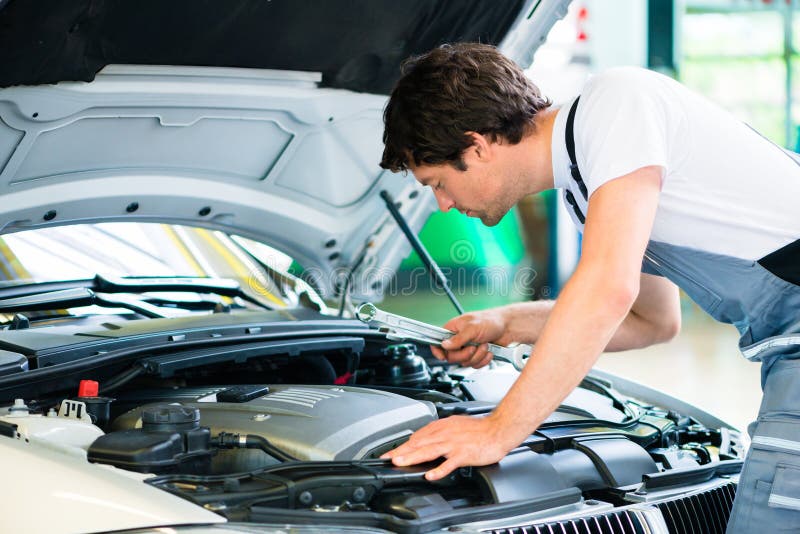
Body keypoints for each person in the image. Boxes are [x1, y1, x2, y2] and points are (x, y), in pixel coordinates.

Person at [378, 43, 800, 531]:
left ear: (476, 147)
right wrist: (506, 323)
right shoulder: (584, 189)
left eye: (437, 182)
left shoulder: (616, 103)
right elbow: (652, 321)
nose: (443, 204)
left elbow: (607, 289)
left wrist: (497, 430)